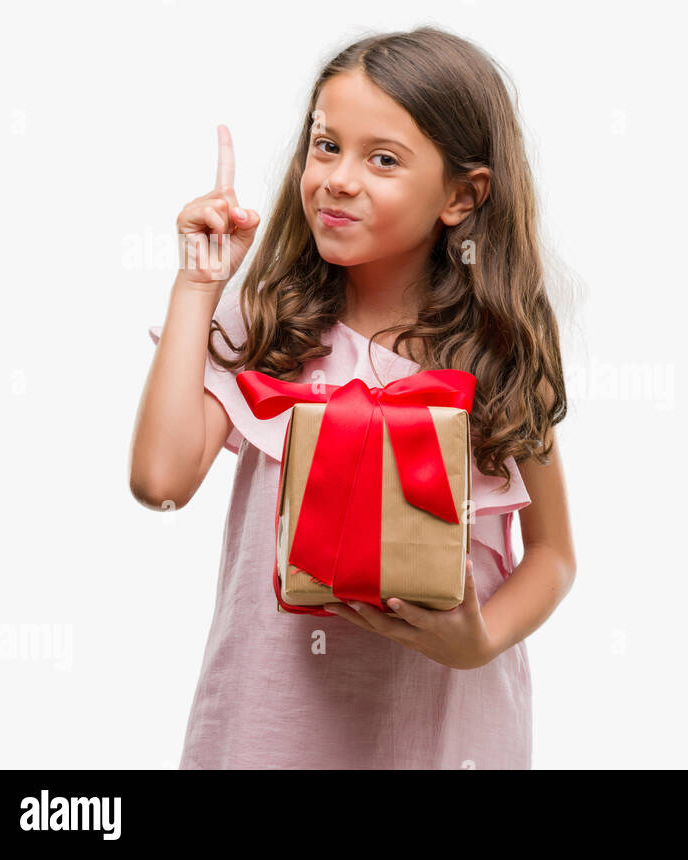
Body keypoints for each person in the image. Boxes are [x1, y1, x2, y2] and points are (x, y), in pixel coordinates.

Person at [128, 27, 576, 769]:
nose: (337, 178)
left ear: (462, 197)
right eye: (326, 145)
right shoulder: (267, 326)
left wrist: (481, 640)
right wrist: (200, 287)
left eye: (384, 159)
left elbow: (555, 553)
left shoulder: (495, 353)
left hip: (442, 730)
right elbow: (159, 482)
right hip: (272, 727)